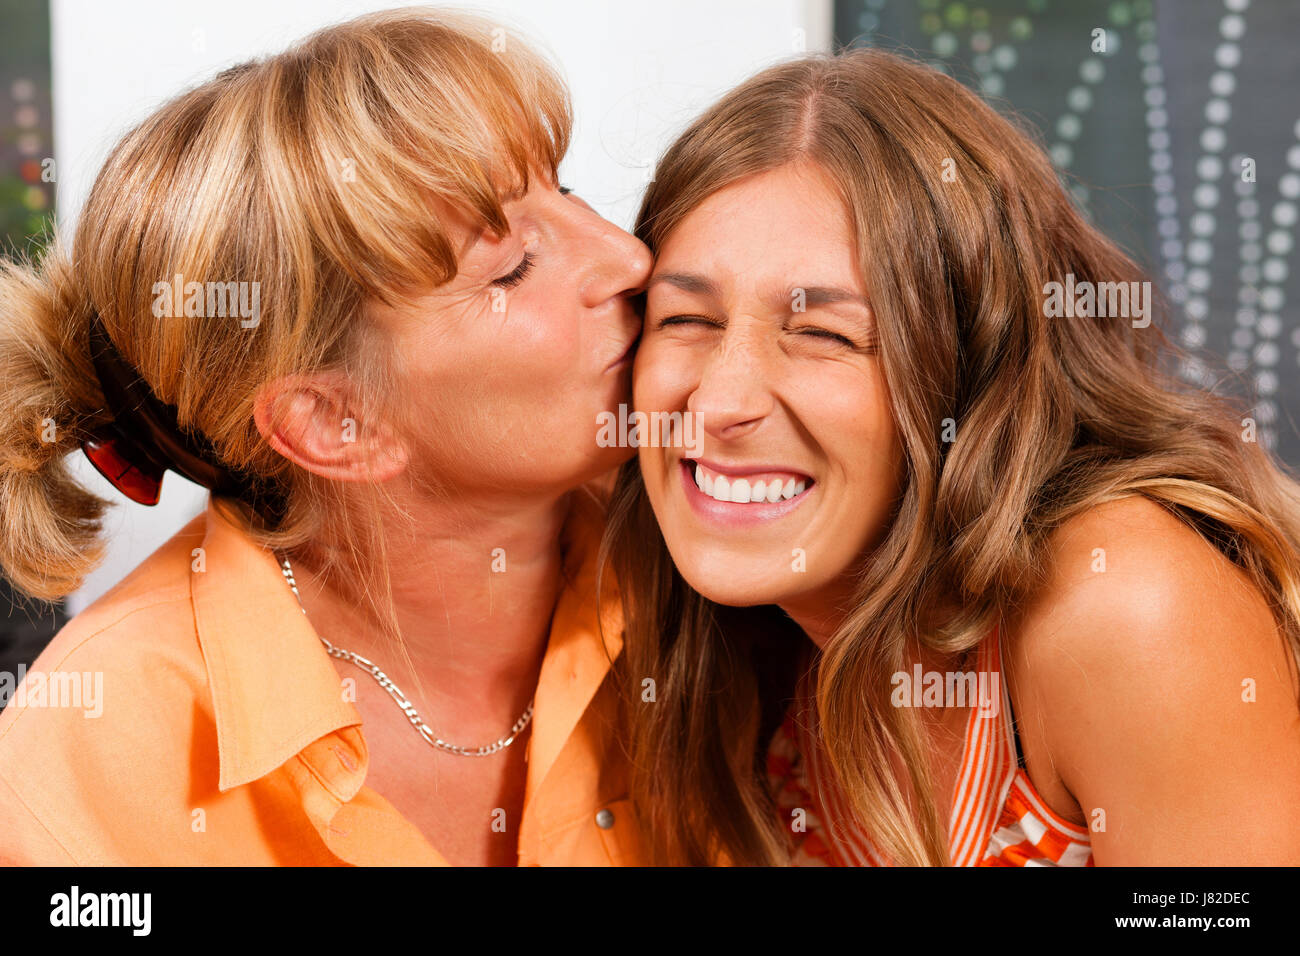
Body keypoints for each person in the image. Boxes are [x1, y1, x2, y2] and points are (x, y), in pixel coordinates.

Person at [605, 48, 1300, 866]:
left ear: (975, 372)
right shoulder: (752, 638)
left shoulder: (1122, 604)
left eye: (824, 335)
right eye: (686, 319)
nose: (720, 404)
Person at [0, 7, 651, 866]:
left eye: (564, 192)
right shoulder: (90, 747)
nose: (629, 259)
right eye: (513, 268)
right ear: (333, 423)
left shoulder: (716, 574)